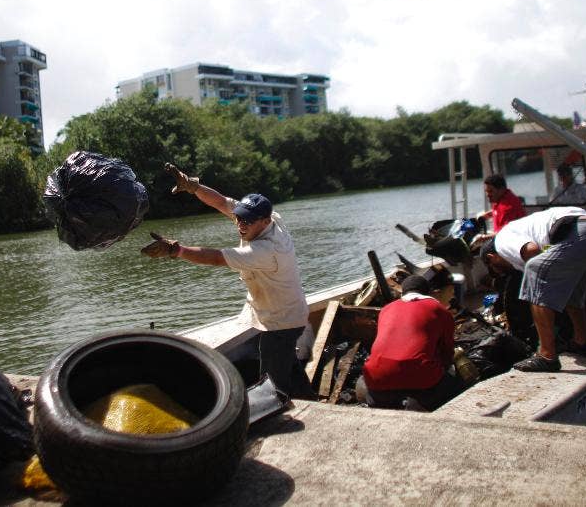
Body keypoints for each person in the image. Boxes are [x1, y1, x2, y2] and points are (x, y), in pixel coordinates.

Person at [141, 163, 315, 399]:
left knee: (272, 379)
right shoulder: (267, 220)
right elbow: (222, 202)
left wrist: (176, 250)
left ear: (264, 222)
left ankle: (277, 409)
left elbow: (216, 258)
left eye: (247, 221)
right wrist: (194, 187)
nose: (241, 224)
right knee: (286, 361)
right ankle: (308, 397)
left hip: (283, 320)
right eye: (239, 218)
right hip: (284, 312)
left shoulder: (267, 250)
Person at [480, 206, 586, 372]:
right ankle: (581, 342)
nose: (499, 273)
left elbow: (532, 251)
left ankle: (547, 355)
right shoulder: (522, 228)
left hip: (581, 233)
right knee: (573, 291)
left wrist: (542, 297)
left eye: (494, 270)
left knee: (534, 269)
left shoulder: (502, 241)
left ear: (491, 258)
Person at [356, 275, 464, 411]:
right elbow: (447, 351)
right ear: (428, 292)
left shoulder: (386, 310)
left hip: (375, 377)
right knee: (457, 384)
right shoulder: (439, 309)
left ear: (403, 293)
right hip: (421, 377)